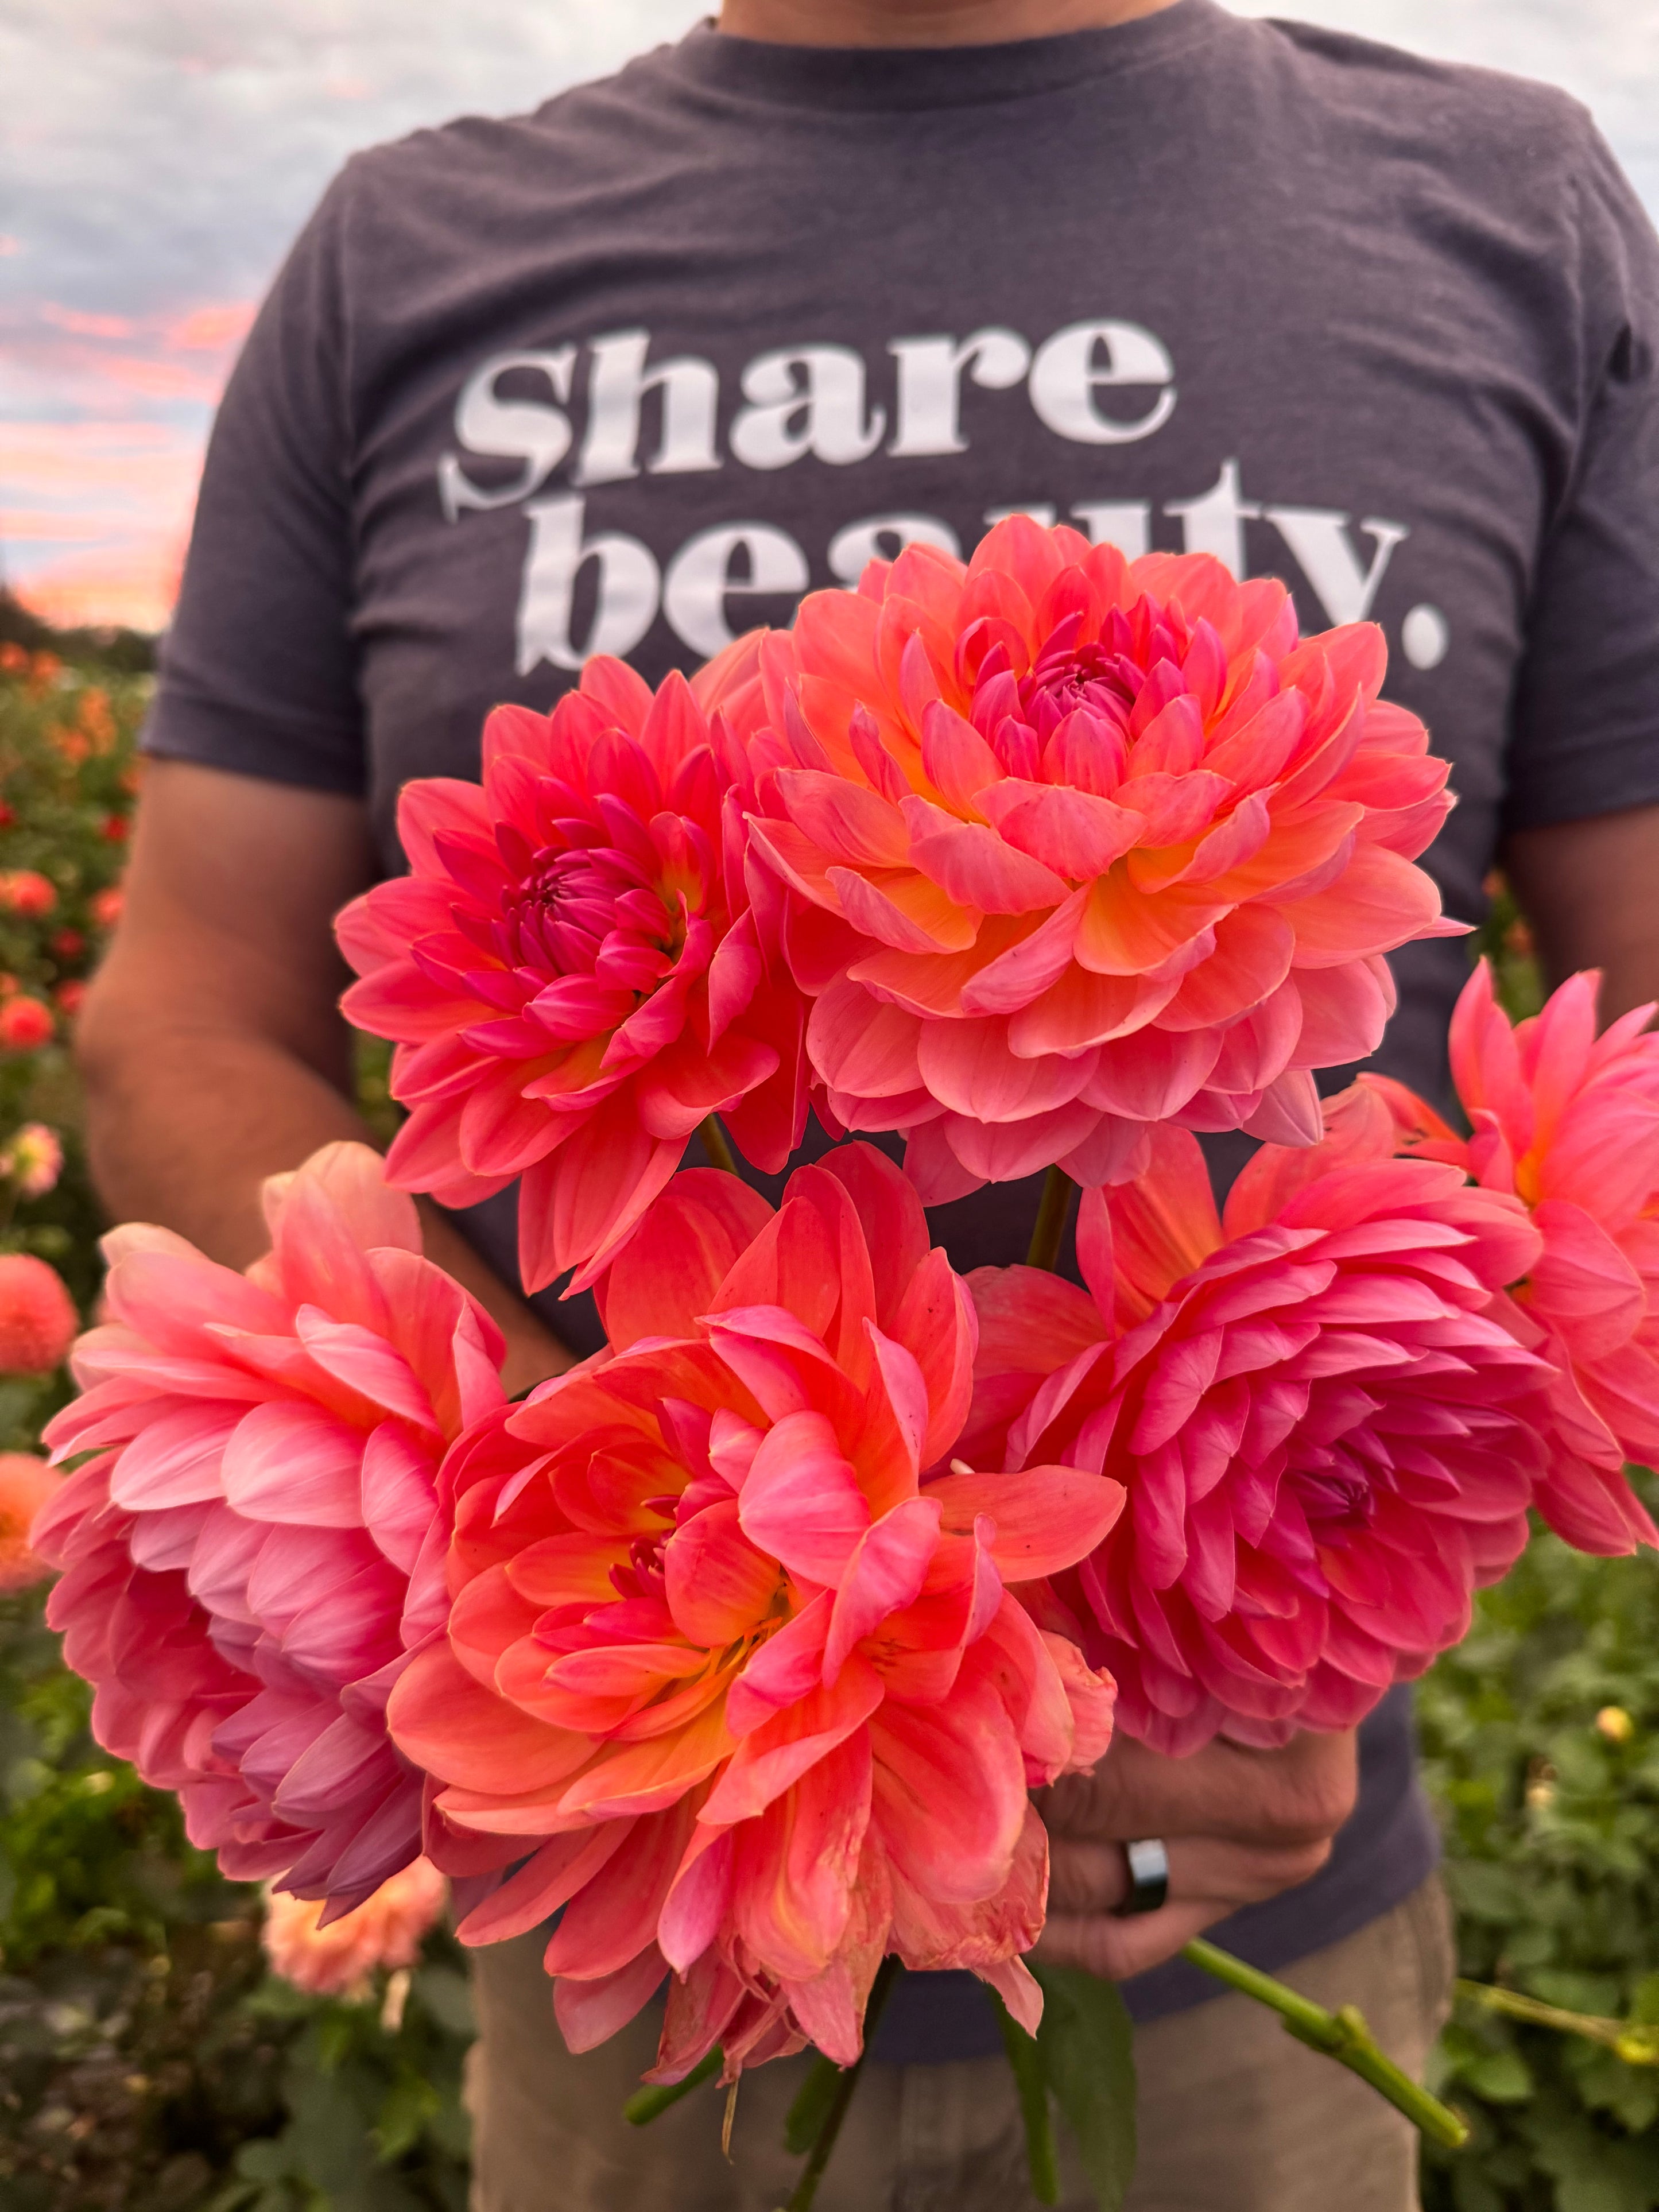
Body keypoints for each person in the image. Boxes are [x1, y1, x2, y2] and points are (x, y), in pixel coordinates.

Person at [77, 0, 1659, 2205]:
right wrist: (533, 1471)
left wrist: (1405, 1442)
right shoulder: (403, 251)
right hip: (642, 1955)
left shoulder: (1510, 207)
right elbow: (175, 1005)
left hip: (1250, 1968)